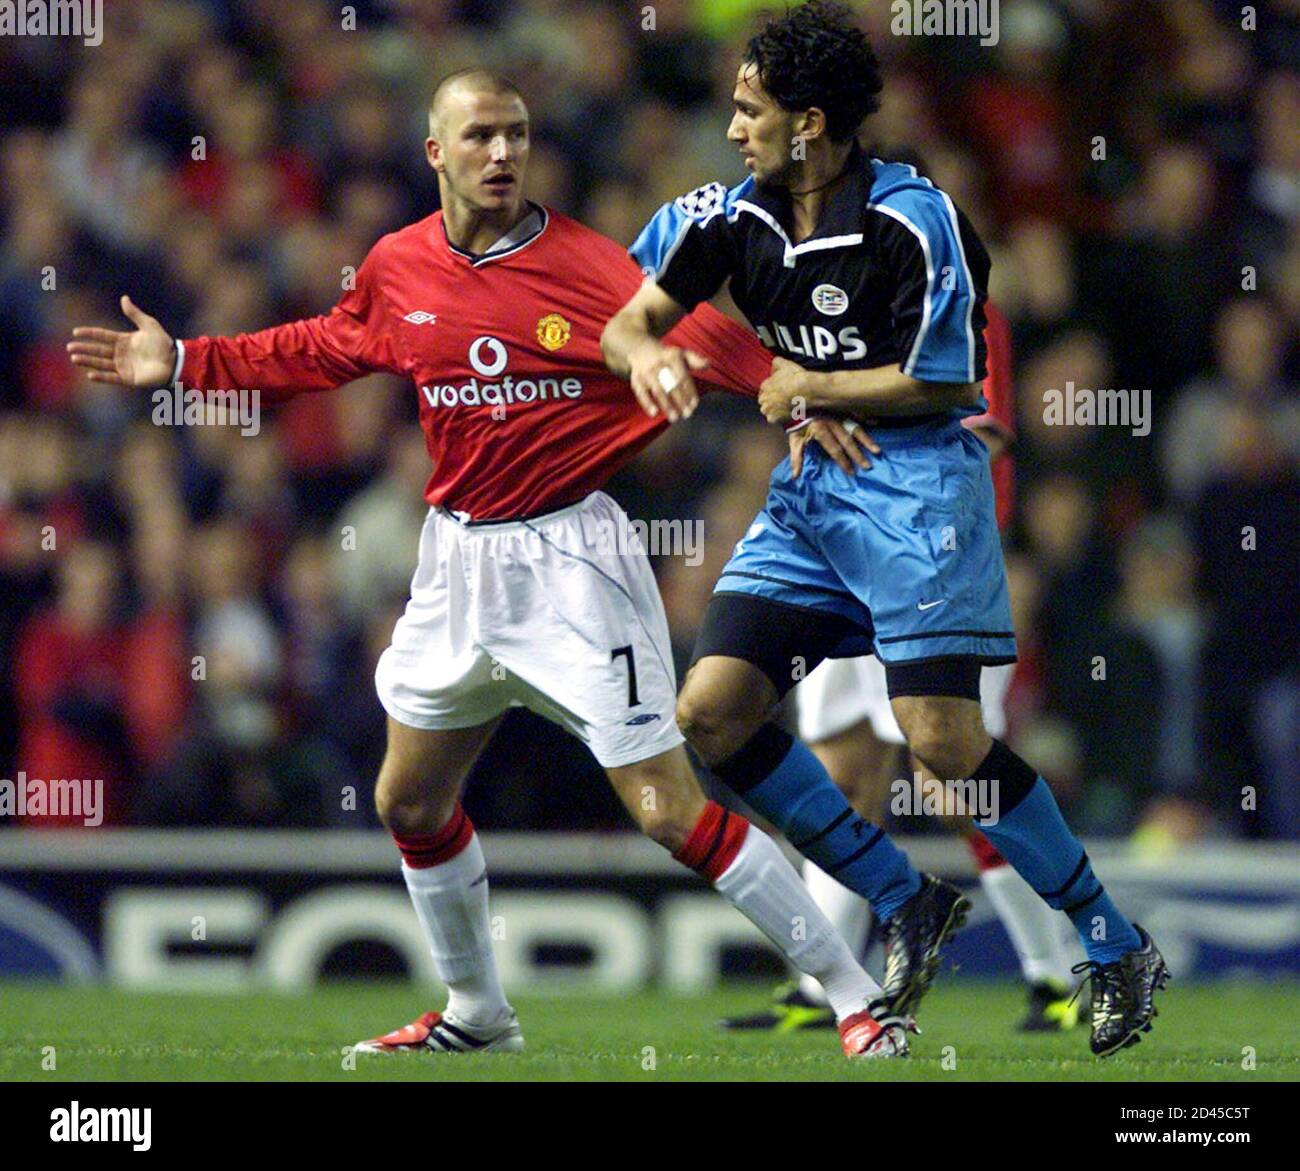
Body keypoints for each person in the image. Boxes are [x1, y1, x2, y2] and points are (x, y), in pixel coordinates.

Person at [68, 69, 917, 1060]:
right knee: (408, 800)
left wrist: (805, 396)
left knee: (666, 810)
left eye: (516, 133)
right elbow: (327, 348)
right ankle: (478, 1011)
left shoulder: (587, 264)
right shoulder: (397, 264)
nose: (503, 152)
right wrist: (184, 364)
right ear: (437, 153)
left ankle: (858, 996)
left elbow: (707, 338)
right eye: (479, 136)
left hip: (572, 561)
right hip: (454, 561)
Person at [602, 1, 1167, 1056]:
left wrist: (815, 384)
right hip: (813, 495)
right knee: (712, 712)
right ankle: (904, 897)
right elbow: (627, 311)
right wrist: (651, 354)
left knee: (941, 742)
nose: (732, 130)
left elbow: (947, 376)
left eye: (749, 109)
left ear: (808, 123)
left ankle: (1108, 937)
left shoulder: (917, 217)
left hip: (918, 495)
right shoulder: (729, 215)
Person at [724, 301, 1081, 1035]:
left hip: (932, 569)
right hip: (835, 561)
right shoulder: (815, 297)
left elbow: (988, 433)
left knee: (956, 778)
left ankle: (1064, 973)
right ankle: (824, 984)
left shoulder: (960, 305)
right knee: (841, 776)